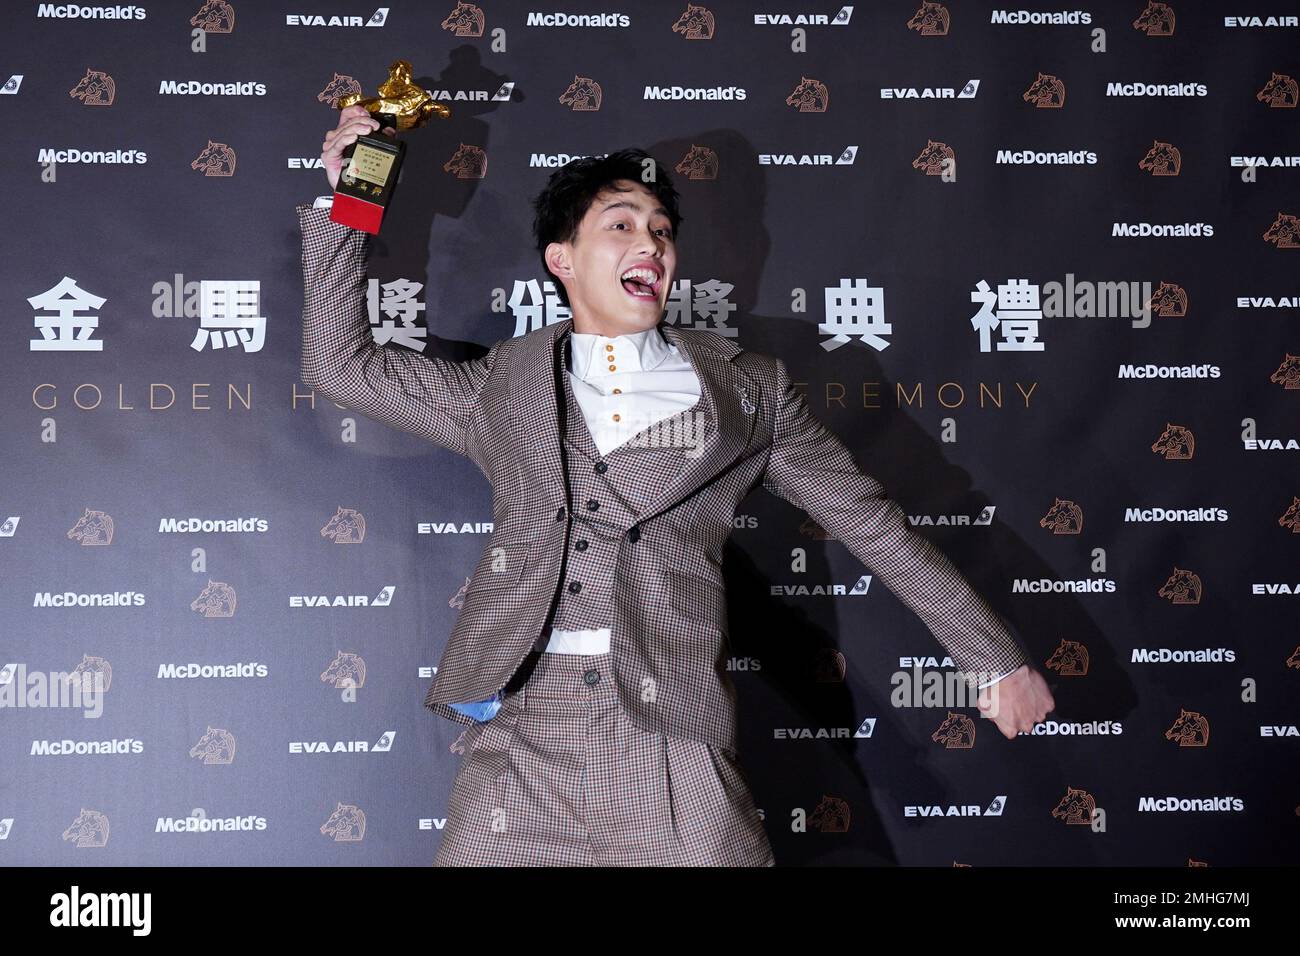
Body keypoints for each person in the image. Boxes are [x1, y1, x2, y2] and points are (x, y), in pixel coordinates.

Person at [298, 105, 1057, 866]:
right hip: (519, 747)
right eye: (621, 226)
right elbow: (340, 366)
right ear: (562, 259)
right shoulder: (499, 387)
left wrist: (992, 657)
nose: (651, 245)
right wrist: (352, 197)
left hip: (667, 741)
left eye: (662, 230)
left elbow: (874, 527)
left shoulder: (750, 394)